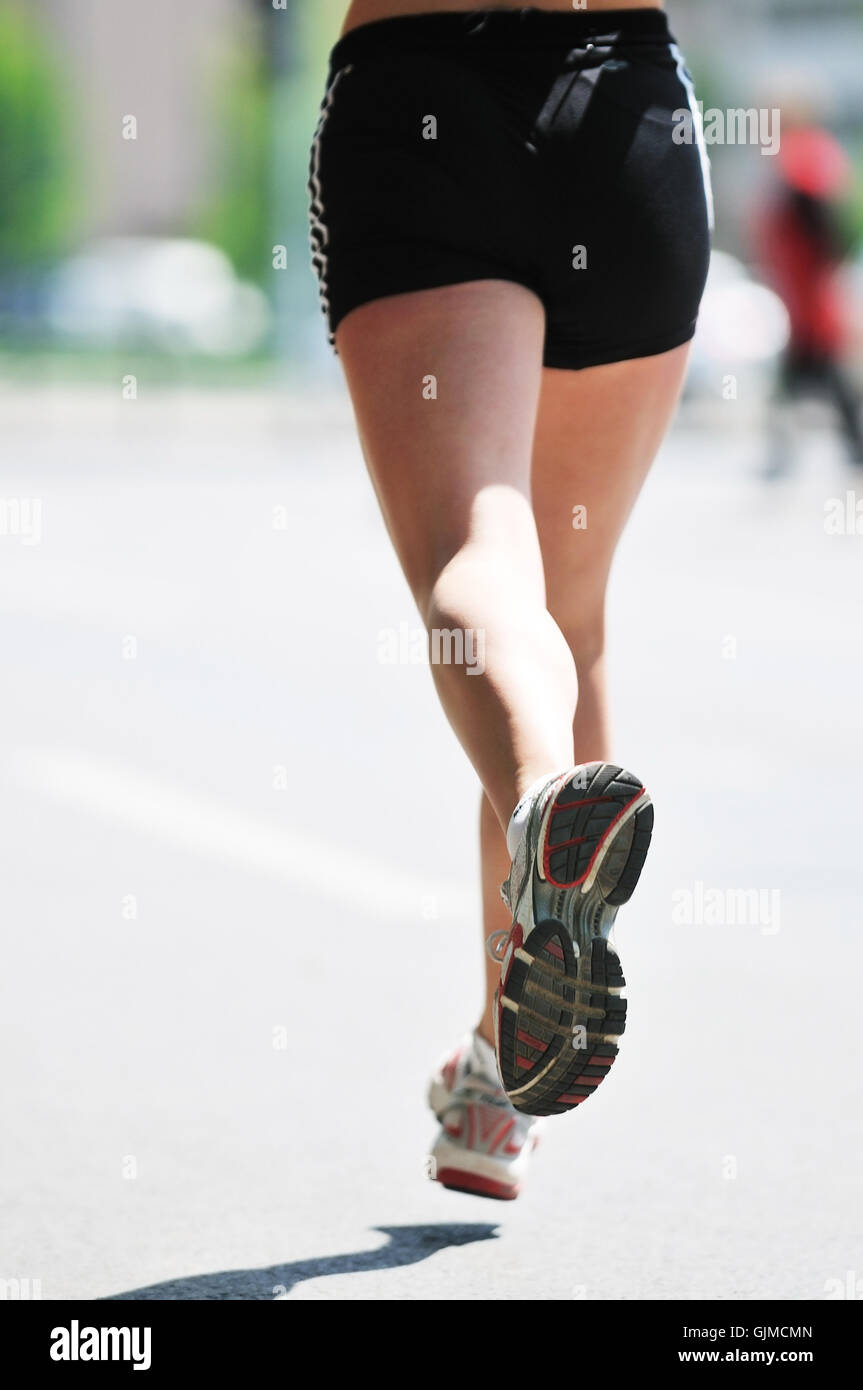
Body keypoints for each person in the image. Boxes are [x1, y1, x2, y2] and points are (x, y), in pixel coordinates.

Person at [308, 0, 712, 1200]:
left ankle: (542, 805)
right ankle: (496, 1074)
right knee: (567, 614)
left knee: (477, 552)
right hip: (623, 112)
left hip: (420, 96)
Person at [754, 121, 863, 476]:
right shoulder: (808, 154)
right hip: (806, 295)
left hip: (810, 296)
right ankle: (844, 447)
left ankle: (783, 454)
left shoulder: (803, 155)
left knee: (815, 377)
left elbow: (821, 218)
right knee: (822, 379)